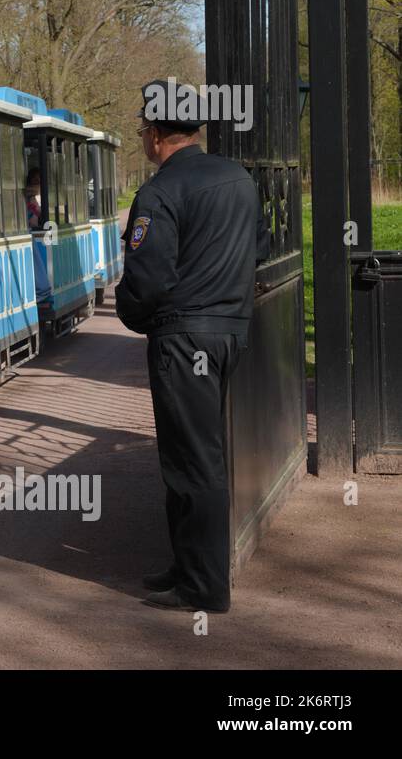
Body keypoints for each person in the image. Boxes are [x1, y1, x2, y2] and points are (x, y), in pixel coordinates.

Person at [118, 79, 269, 614]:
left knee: (192, 460)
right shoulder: (239, 179)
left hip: (184, 338)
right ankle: (186, 567)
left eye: (142, 130)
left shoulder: (159, 193)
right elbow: (260, 246)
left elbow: (148, 278)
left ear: (157, 134)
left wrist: (130, 313)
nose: (142, 138)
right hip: (228, 331)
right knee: (190, 453)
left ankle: (204, 587)